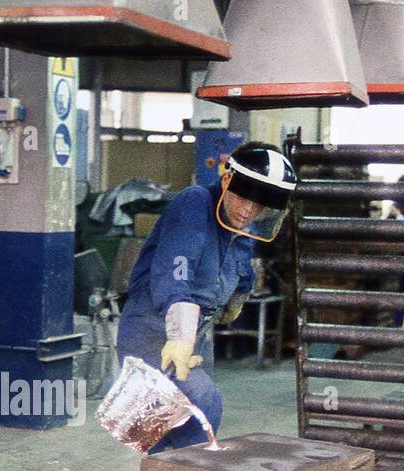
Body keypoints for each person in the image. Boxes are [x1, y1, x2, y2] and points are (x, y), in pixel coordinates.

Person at [115, 142, 296, 452]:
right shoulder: (195, 203)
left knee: (173, 423)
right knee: (200, 406)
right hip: (153, 328)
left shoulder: (240, 224)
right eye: (243, 199)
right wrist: (180, 338)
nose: (248, 211)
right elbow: (176, 271)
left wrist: (238, 298)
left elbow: (242, 266)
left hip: (197, 332)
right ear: (226, 180)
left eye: (259, 207)